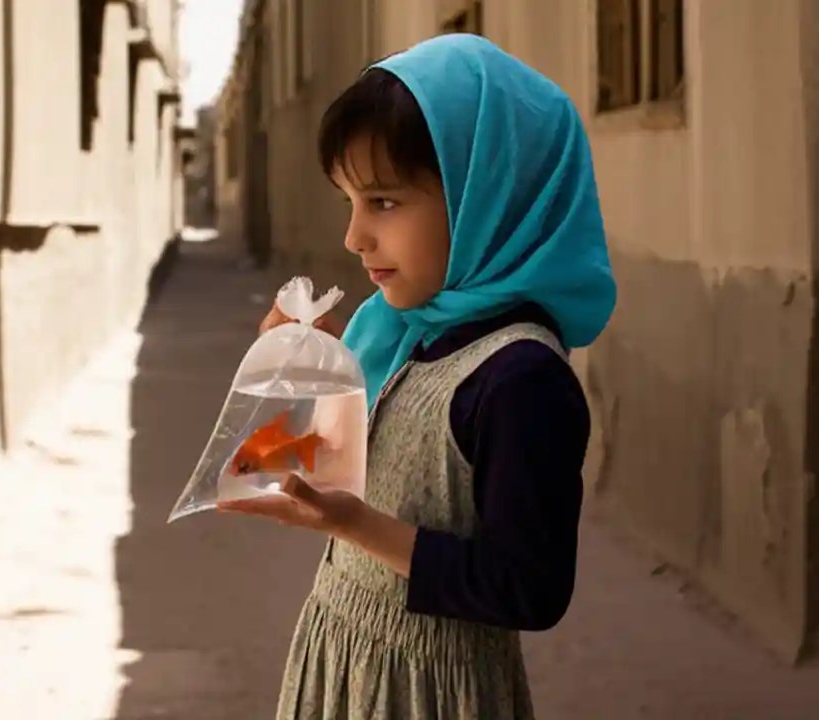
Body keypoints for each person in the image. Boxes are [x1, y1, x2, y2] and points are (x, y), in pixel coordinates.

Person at [220, 33, 617, 719]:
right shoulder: (406, 334)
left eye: (384, 202)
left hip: (431, 695)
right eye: (348, 200)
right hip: (343, 663)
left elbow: (528, 588)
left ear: (486, 197)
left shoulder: (521, 380)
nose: (354, 237)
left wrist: (355, 524)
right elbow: (391, 449)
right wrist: (311, 371)